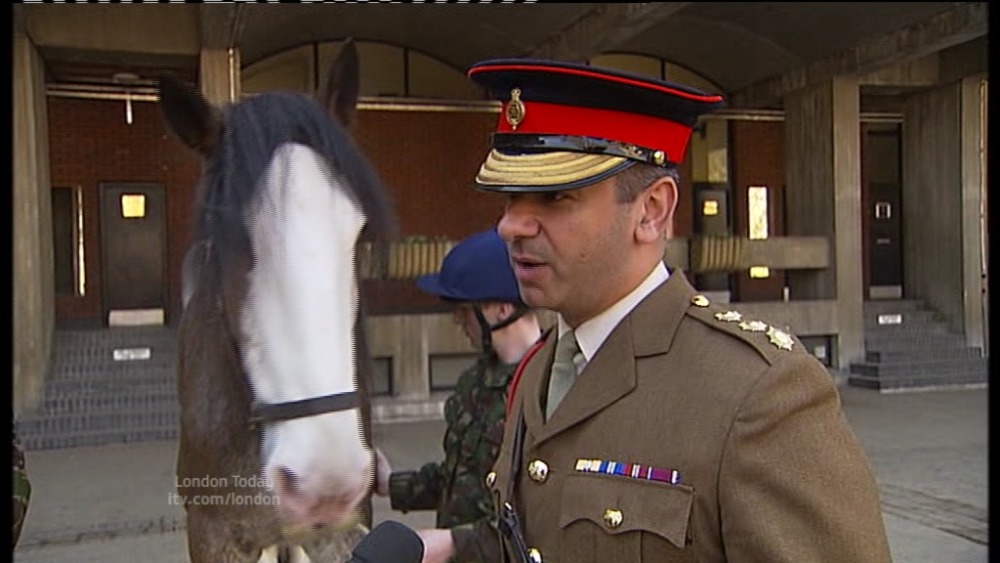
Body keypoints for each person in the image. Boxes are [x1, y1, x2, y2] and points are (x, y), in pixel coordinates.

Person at [420, 59, 893, 562]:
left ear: (651, 211)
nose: (510, 226)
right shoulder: (540, 371)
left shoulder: (759, 394)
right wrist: (454, 548)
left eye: (554, 197)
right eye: (510, 198)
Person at [383, 228, 543, 563]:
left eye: (465, 310)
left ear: (501, 309)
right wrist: (389, 483)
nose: (458, 321)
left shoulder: (548, 388)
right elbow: (459, 478)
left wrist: (454, 543)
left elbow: (543, 515)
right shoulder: (475, 382)